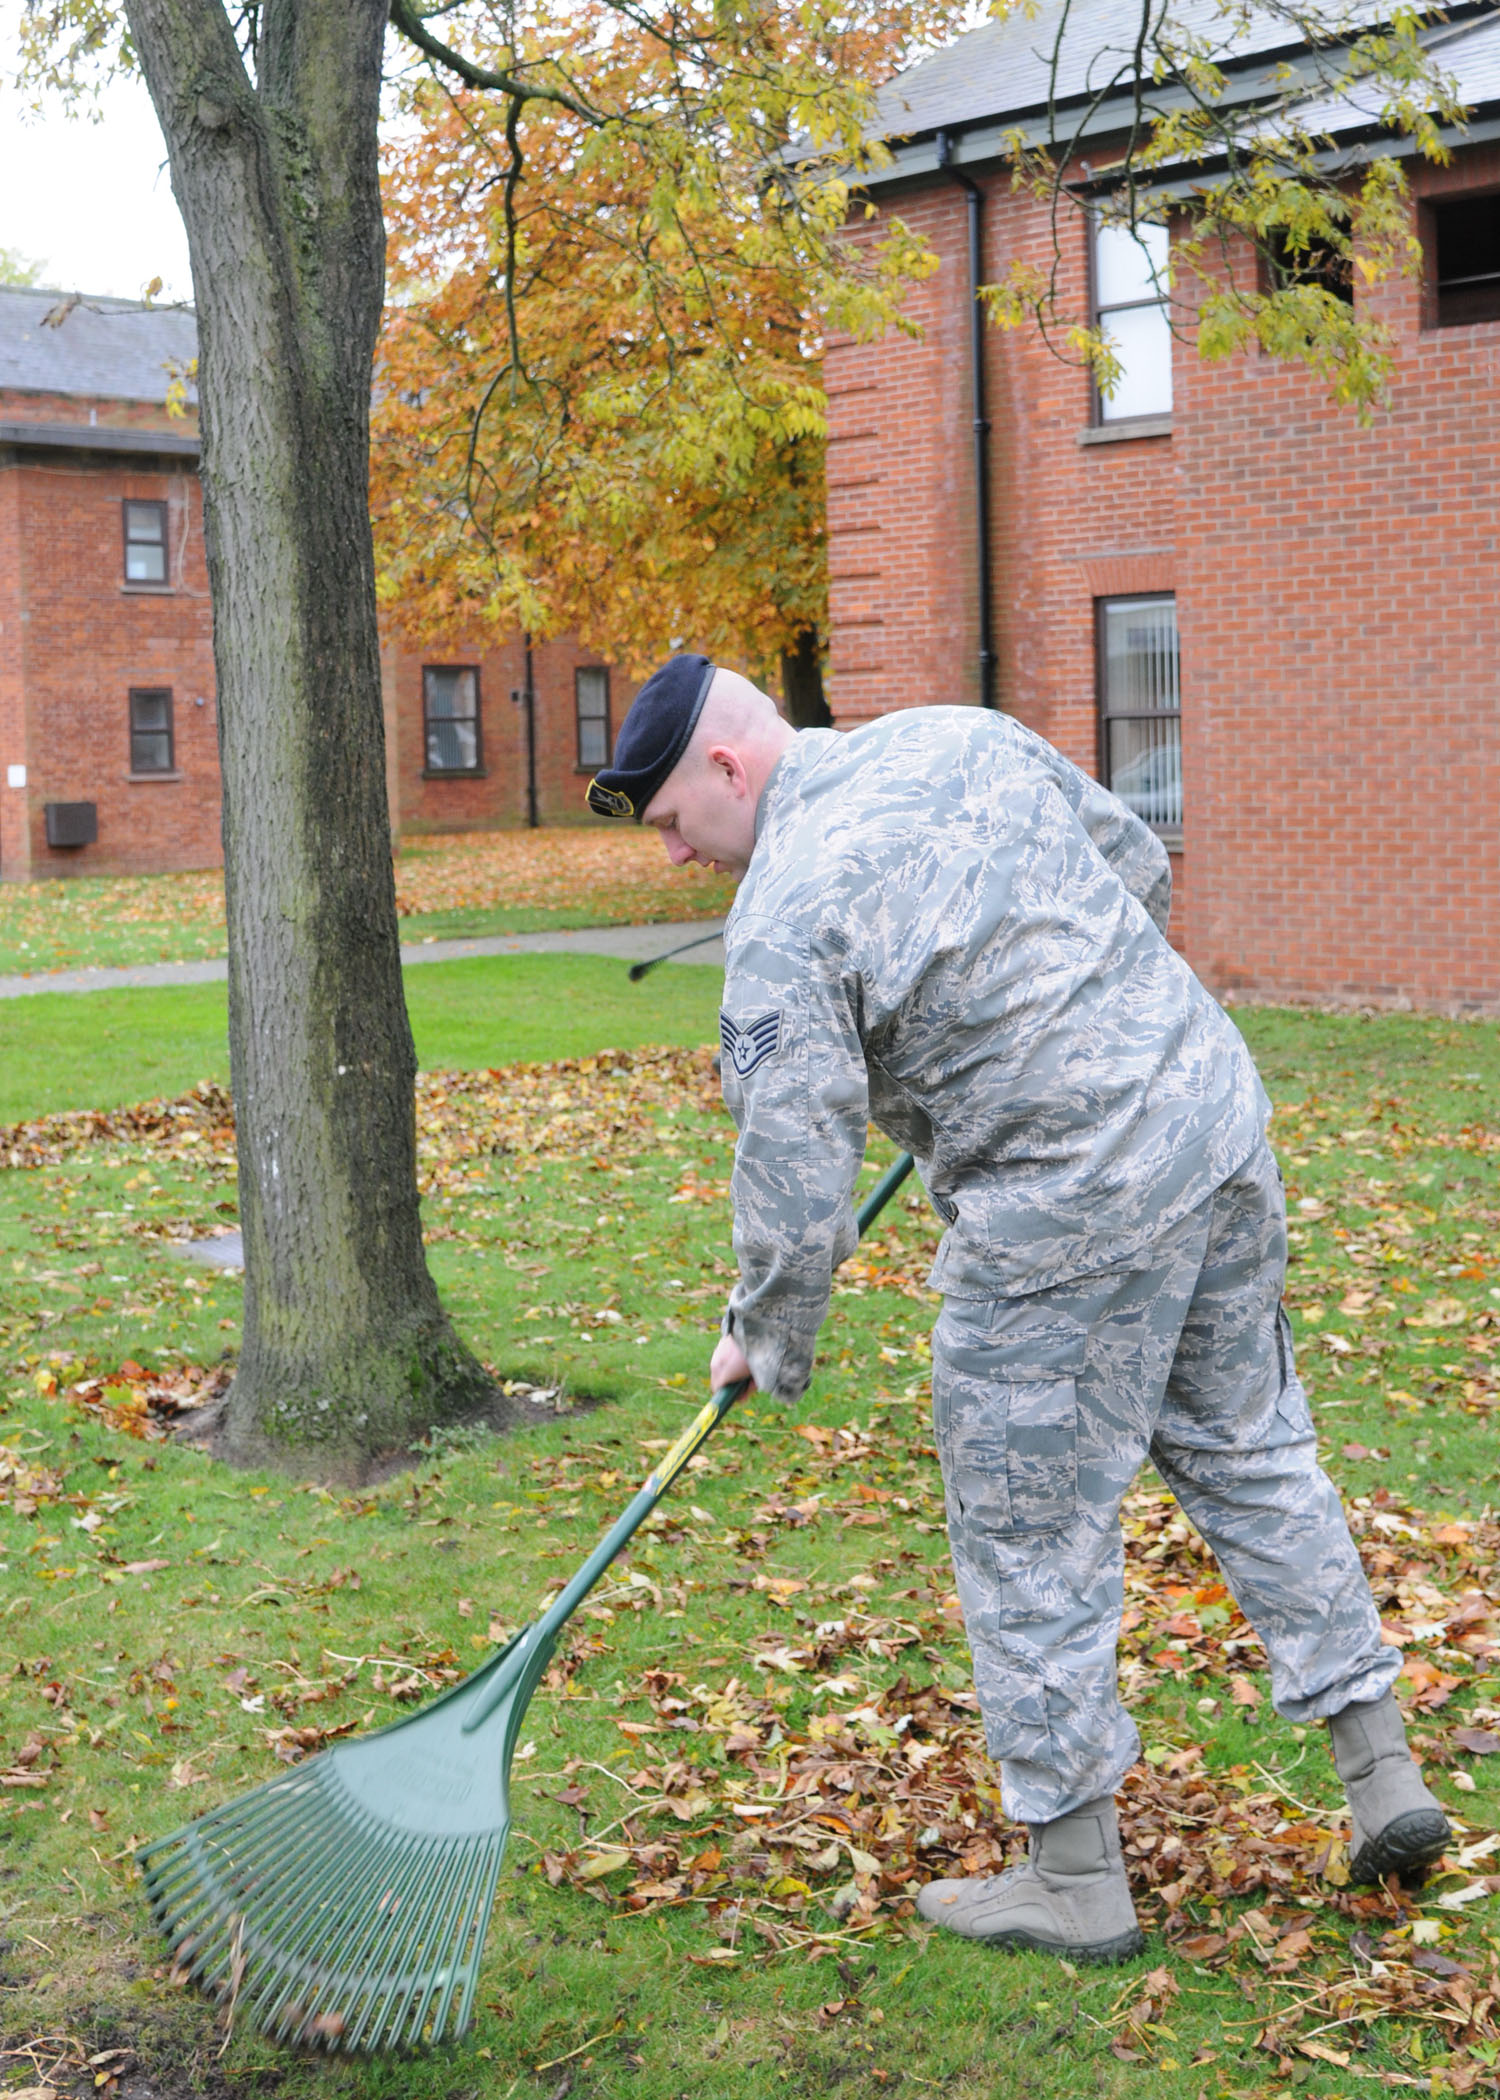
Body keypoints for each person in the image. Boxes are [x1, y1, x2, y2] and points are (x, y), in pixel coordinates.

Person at [587, 653, 1451, 1964]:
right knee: (1255, 1454)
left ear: (723, 767)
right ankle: (1384, 1773)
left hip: (1062, 1217)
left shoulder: (784, 913)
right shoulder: (962, 738)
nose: (671, 858)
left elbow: (793, 1169)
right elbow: (1139, 876)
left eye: (666, 824)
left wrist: (765, 1334)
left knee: (1025, 1523)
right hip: (1212, 1128)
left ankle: (1074, 1878)